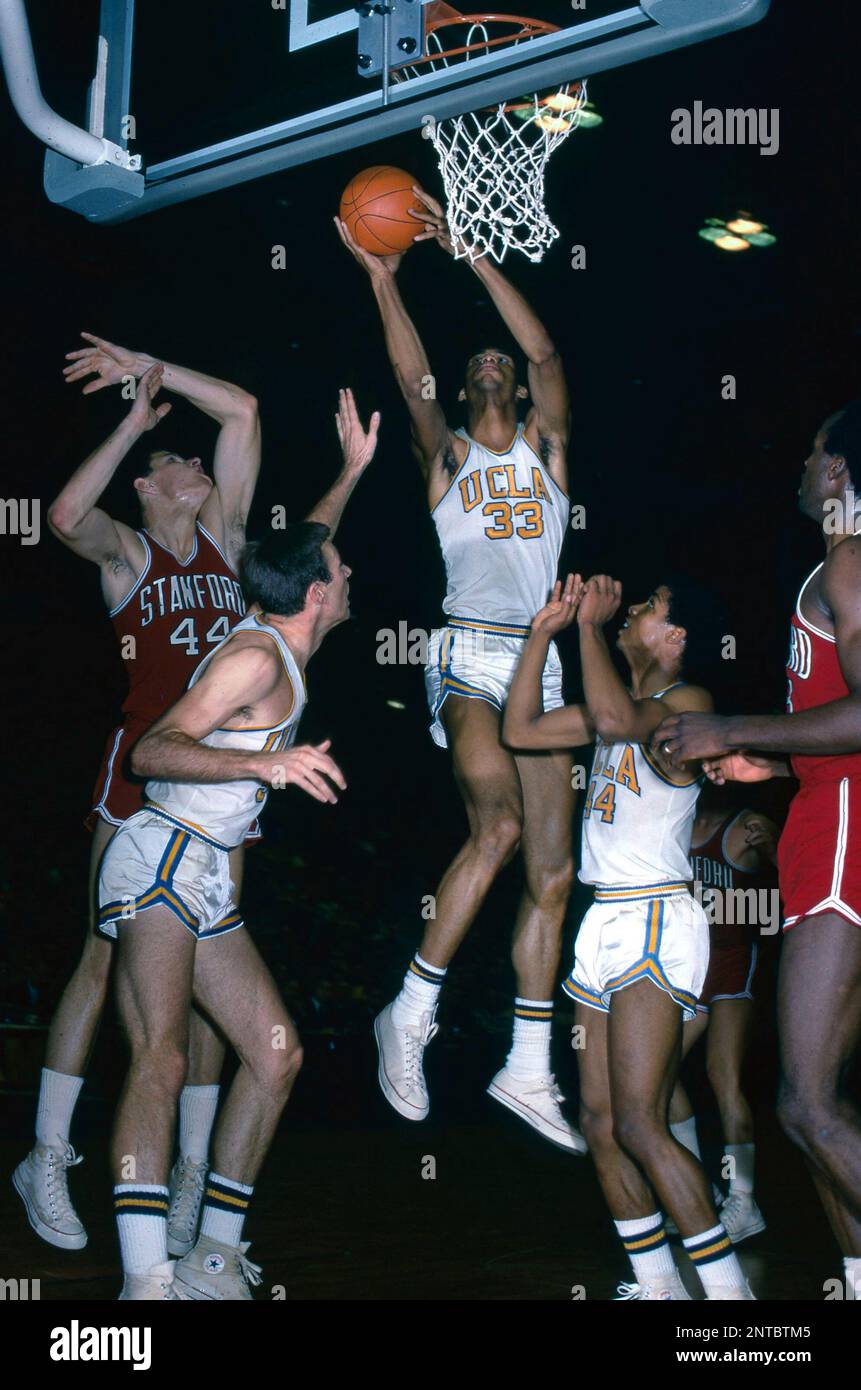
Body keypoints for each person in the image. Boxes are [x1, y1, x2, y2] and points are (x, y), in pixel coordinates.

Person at [101, 395, 377, 1300]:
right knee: (164, 1058)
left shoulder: (288, 635)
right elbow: (150, 751)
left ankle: (213, 1259)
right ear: (316, 595)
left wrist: (349, 472)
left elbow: (307, 539)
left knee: (275, 1052)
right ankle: (148, 1282)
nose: (348, 577)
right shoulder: (254, 659)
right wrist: (267, 767)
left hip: (204, 874)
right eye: (339, 573)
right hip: (159, 859)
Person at [336, 190, 582, 1152]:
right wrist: (385, 281)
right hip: (469, 650)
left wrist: (476, 255)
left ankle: (526, 1068)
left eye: (497, 363)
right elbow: (409, 378)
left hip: (544, 663)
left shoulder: (548, 451)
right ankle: (410, 1008)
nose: (487, 363)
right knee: (503, 824)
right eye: (474, 360)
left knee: (554, 869)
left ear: (516, 392)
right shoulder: (443, 458)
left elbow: (551, 355)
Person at [15, 336, 262, 1256]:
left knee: (204, 973)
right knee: (98, 958)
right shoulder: (125, 554)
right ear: (150, 490)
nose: (193, 460)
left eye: (190, 458)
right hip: (143, 771)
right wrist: (132, 422)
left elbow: (241, 409)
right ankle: (47, 1152)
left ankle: (192, 1176)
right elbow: (64, 511)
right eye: (175, 460)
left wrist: (142, 362)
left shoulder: (228, 538)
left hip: (225, 782)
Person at [655, 401, 861, 1302]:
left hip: (847, 821)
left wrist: (729, 722)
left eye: (814, 449)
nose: (801, 460)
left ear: (837, 475)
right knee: (808, 1104)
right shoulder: (840, 568)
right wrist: (763, 756)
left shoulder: (850, 564)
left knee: (805, 1105)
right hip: (829, 804)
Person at [505, 572, 754, 1300]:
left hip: (655, 915)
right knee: (600, 1121)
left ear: (674, 639)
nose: (634, 609)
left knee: (643, 1121)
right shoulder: (622, 706)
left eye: (651, 607)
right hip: (604, 919)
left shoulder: (688, 705)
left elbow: (616, 723)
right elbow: (518, 730)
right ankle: (657, 1286)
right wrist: (539, 637)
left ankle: (730, 1296)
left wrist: (585, 630)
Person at [667, 780, 780, 1245]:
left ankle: (744, 1203)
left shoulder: (749, 824)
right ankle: (700, 1193)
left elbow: (790, 876)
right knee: (657, 1075)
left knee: (723, 1077)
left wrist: (772, 844)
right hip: (687, 968)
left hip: (733, 967)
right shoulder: (675, 821)